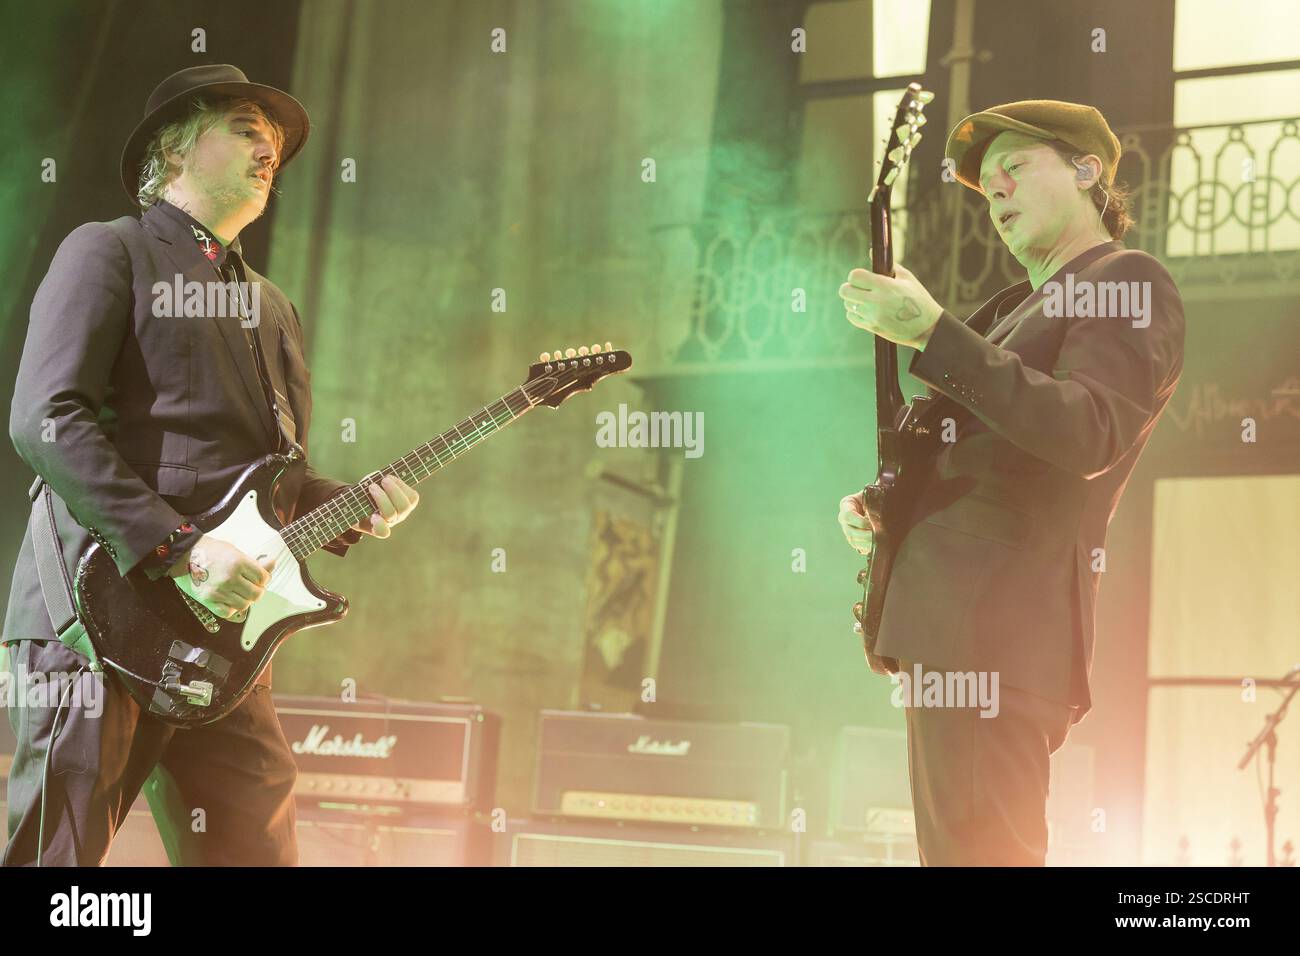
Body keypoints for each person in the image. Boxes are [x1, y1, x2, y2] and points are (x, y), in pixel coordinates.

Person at [2, 64, 419, 866]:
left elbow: (266, 478)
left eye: (277, 143)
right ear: (174, 148)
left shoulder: (270, 305)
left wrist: (348, 500)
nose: (270, 149)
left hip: (222, 642)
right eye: (244, 127)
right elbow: (46, 419)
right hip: (96, 617)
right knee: (58, 867)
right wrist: (180, 548)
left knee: (253, 849)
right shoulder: (108, 251)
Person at [836, 100, 1184, 865]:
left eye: (1015, 169)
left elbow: (1088, 428)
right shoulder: (1008, 313)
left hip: (992, 625)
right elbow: (984, 452)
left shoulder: (1126, 280)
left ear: (1088, 171)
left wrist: (932, 331)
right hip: (959, 628)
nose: (995, 192)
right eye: (986, 186)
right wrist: (886, 506)